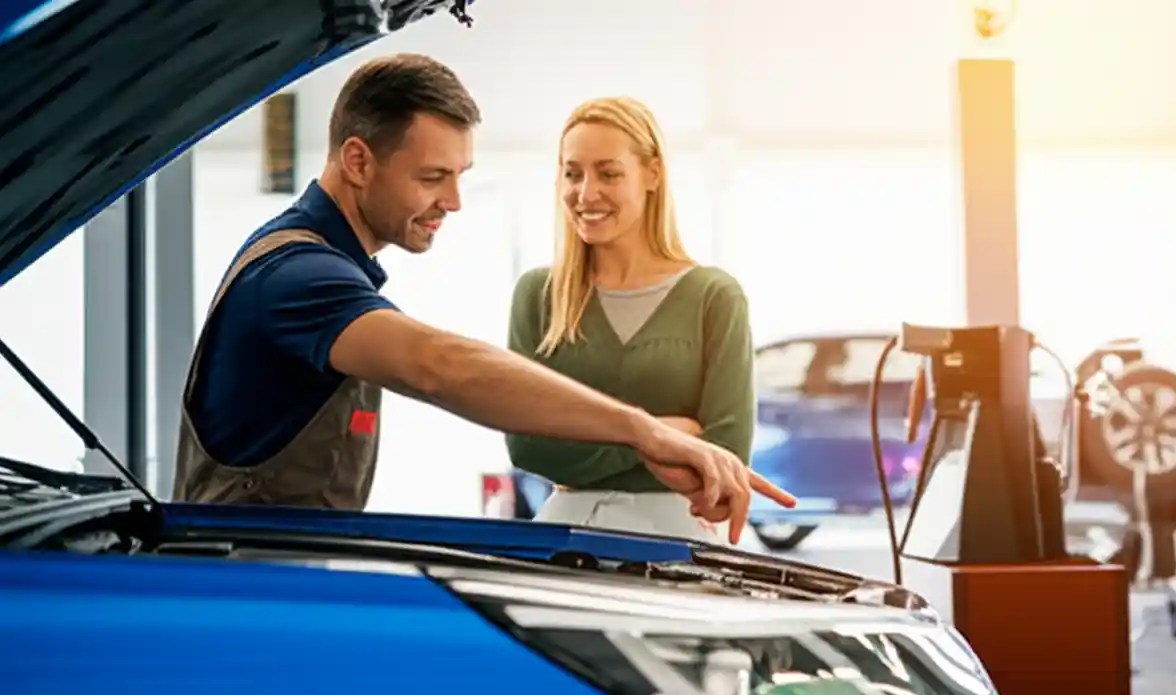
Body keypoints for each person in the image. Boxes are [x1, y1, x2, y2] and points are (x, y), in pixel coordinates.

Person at [171, 53, 794, 544]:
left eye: (459, 177)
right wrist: (645, 431)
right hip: (248, 573)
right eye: (432, 177)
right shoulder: (298, 276)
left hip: (280, 566)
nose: (454, 202)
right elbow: (441, 367)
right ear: (358, 161)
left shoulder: (324, 268)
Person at [505, 97, 758, 543]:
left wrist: (583, 438)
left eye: (609, 173)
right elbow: (528, 447)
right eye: (572, 173)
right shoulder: (538, 295)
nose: (585, 194)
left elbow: (728, 448)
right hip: (565, 536)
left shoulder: (714, 297)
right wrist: (664, 435)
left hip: (680, 538)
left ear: (652, 175)